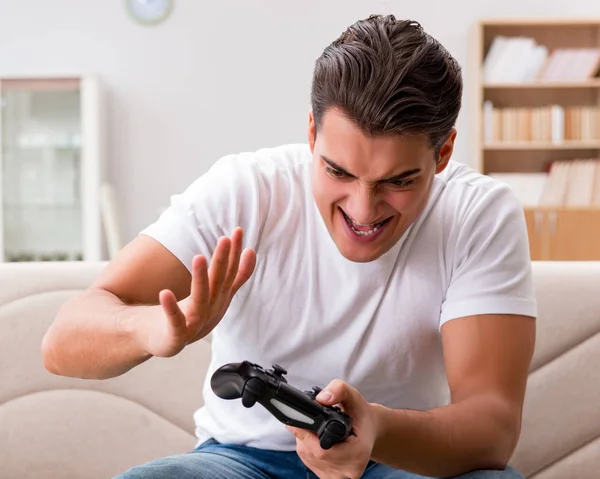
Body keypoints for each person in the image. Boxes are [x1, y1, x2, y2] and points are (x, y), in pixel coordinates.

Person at [41, 14, 537, 479]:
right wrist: (152, 330)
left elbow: (492, 426)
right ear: (311, 133)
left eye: (399, 180)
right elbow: (61, 343)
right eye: (338, 171)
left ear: (444, 152)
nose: (363, 211)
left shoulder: (478, 214)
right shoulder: (247, 190)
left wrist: (378, 429)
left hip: (394, 458)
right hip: (239, 461)